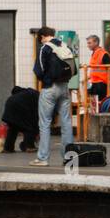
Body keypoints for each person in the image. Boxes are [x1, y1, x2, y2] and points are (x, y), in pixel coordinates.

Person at [31, 27, 75, 167]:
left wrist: (45, 80)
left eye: (40, 38)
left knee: (44, 123)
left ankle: (43, 158)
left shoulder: (45, 48)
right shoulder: (64, 45)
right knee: (66, 122)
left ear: (43, 36)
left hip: (50, 89)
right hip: (65, 87)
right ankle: (68, 158)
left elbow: (39, 70)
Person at [1, 86, 39, 152]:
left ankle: (8, 148)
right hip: (21, 107)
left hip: (9, 105)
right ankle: (29, 147)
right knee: (29, 127)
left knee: (12, 129)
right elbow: (35, 116)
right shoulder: (32, 94)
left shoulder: (16, 96)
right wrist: (36, 130)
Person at [85, 35, 110, 108]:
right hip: (94, 83)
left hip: (101, 84)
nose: (88, 45)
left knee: (100, 104)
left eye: (89, 43)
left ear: (96, 42)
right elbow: (95, 69)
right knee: (94, 105)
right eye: (87, 43)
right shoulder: (94, 53)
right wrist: (87, 78)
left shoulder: (103, 54)